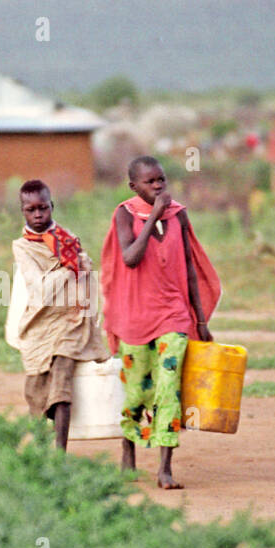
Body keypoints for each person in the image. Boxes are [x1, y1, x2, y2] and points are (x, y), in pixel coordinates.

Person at [100, 156, 221, 488]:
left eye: (162, 180)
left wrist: (200, 319)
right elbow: (130, 258)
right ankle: (128, 455)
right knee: (137, 390)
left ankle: (165, 467)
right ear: (134, 187)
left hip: (173, 315)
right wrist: (153, 215)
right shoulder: (124, 214)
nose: (158, 187)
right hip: (134, 317)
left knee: (169, 389)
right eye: (150, 182)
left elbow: (190, 270)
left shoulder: (179, 215)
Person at [7, 179, 109, 449]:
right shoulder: (23, 246)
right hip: (39, 323)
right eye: (31, 210)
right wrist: (68, 269)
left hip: (71, 322)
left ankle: (60, 454)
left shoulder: (68, 239)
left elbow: (87, 278)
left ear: (51, 206)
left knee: (62, 382)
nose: (38, 215)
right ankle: (40, 451)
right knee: (36, 389)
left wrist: (89, 312)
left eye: (43, 208)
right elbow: (39, 290)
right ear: (23, 211)